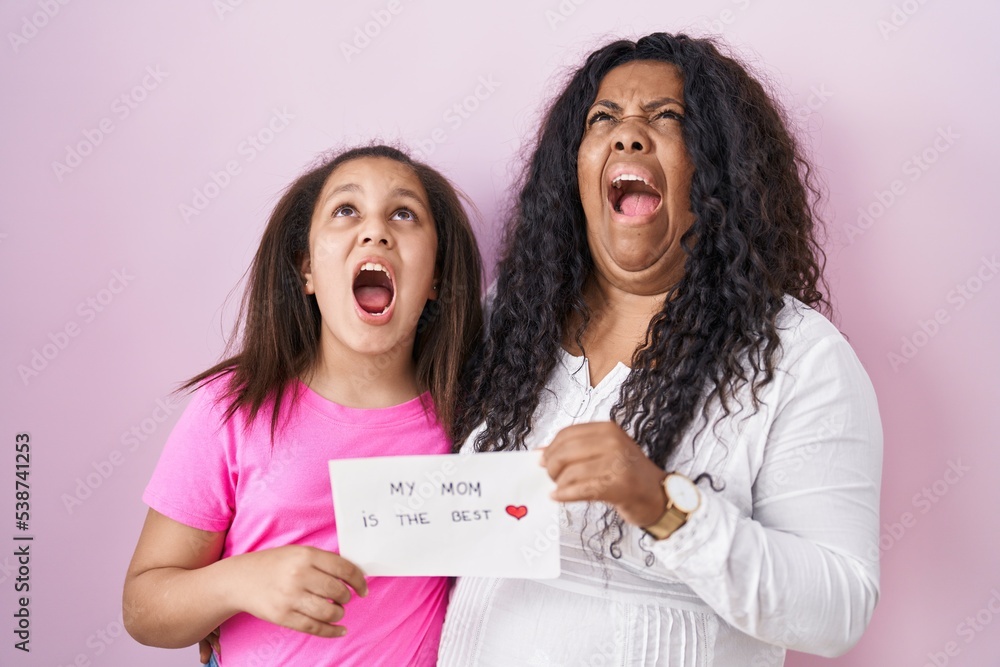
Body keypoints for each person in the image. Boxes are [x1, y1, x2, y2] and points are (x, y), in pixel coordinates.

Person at [439, 33, 882, 666]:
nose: (628, 135)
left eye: (666, 117)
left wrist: (660, 502)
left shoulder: (798, 356)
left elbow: (837, 610)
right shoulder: (504, 319)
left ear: (719, 166)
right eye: (604, 119)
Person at [122, 144, 483, 666]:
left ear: (436, 281)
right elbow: (142, 609)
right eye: (346, 210)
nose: (376, 231)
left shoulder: (473, 419)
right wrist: (238, 582)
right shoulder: (234, 407)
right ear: (307, 270)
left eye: (403, 213)